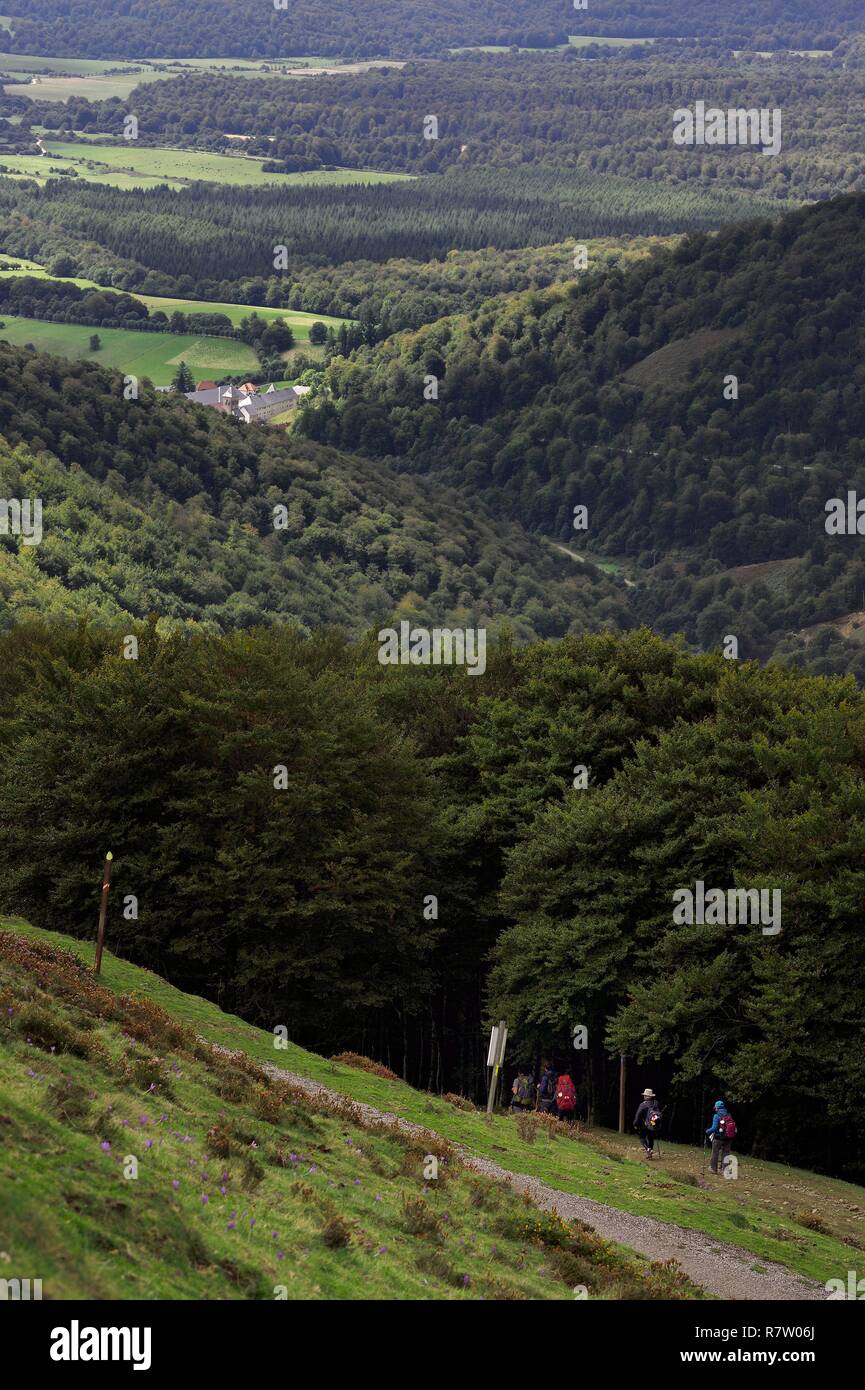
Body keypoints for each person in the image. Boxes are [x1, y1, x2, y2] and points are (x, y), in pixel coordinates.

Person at [706, 1099, 735, 1175]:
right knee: (726, 1154)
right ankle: (725, 1170)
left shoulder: (716, 1116)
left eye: (715, 1107)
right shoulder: (728, 1115)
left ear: (717, 1108)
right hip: (728, 1138)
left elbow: (714, 1128)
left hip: (718, 1138)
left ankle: (713, 1169)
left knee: (715, 1153)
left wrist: (707, 1131)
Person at [634, 1087, 661, 1157]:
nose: (644, 1096)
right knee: (651, 1138)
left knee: (642, 1137)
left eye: (645, 1095)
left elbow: (638, 1115)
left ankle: (648, 1150)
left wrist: (635, 1124)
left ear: (647, 1096)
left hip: (645, 1125)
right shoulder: (656, 1103)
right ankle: (650, 1150)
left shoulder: (643, 1105)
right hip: (653, 1123)